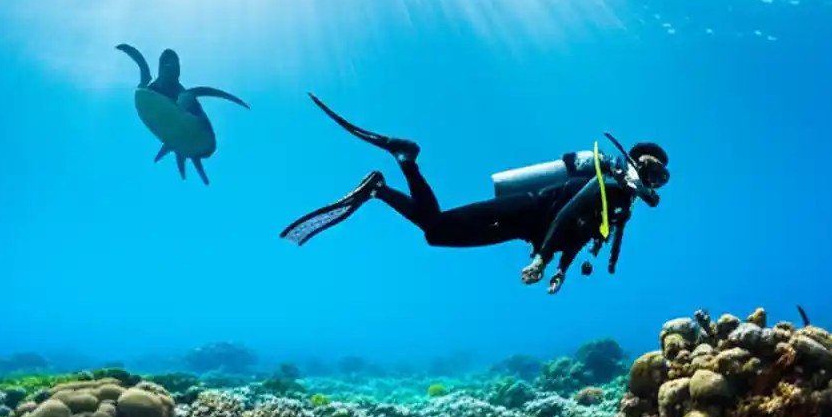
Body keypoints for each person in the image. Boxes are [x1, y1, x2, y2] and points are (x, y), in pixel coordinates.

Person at [280, 93, 670, 294]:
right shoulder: (607, 183)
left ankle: (380, 188)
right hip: (523, 208)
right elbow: (568, 214)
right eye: (651, 171)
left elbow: (582, 235)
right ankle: (405, 160)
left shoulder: (622, 206)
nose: (653, 181)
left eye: (660, 178)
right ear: (634, 163)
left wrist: (560, 270)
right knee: (437, 227)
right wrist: (541, 260)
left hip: (522, 229)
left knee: (436, 234)